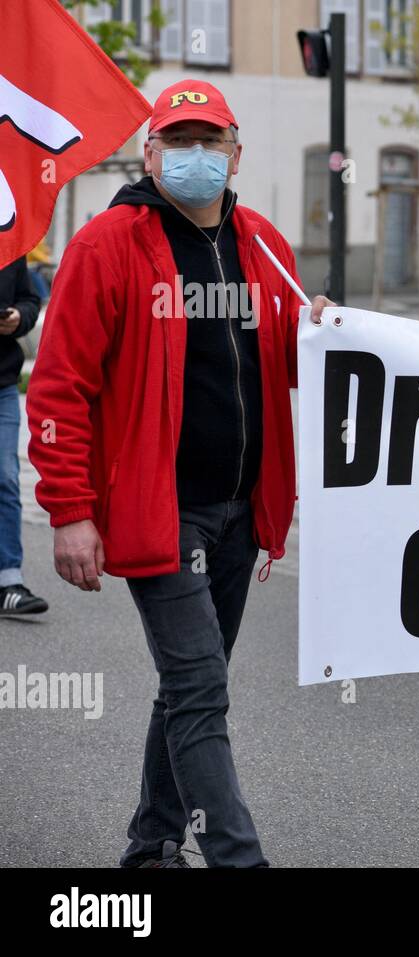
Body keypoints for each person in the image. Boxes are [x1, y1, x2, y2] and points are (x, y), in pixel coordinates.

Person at [26, 79, 331, 868]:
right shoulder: (107, 245)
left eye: (211, 142)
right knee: (201, 691)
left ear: (236, 155)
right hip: (158, 512)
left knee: (188, 686)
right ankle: (239, 857)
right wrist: (68, 509)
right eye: (179, 142)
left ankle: (151, 842)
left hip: (241, 508)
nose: (196, 157)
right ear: (151, 152)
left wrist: (325, 332)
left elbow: (285, 353)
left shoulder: (263, 244)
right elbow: (60, 386)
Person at [0, 256, 48, 615]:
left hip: (1, 384)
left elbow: (30, 300)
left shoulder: (9, 243)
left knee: (6, 478)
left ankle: (8, 581)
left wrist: (19, 317)